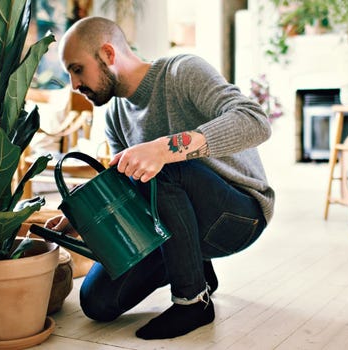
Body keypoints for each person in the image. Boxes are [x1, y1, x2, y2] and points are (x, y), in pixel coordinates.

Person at [46, 16, 275, 340]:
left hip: (239, 215)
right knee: (97, 301)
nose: (74, 85)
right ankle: (197, 269)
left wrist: (164, 149)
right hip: (175, 220)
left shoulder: (183, 71)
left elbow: (255, 122)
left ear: (109, 54)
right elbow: (124, 184)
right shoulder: (114, 114)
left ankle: (192, 301)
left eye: (77, 69)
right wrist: (81, 218)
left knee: (159, 169)